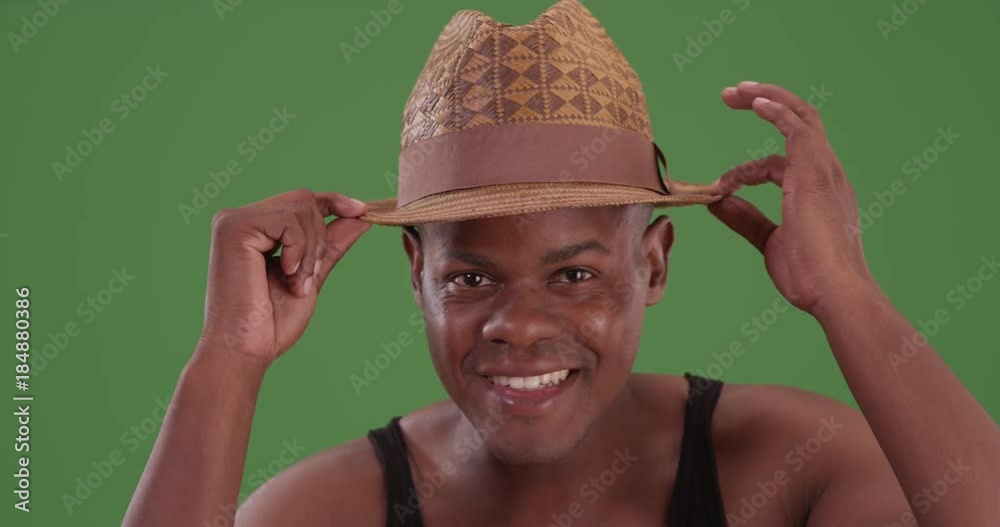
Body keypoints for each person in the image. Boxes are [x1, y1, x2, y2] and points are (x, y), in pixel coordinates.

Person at [123, 1, 999, 525]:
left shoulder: (788, 466)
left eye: (575, 273)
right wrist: (229, 359)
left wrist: (844, 293)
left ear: (653, 264)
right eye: (470, 277)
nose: (522, 325)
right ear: (416, 276)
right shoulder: (333, 507)